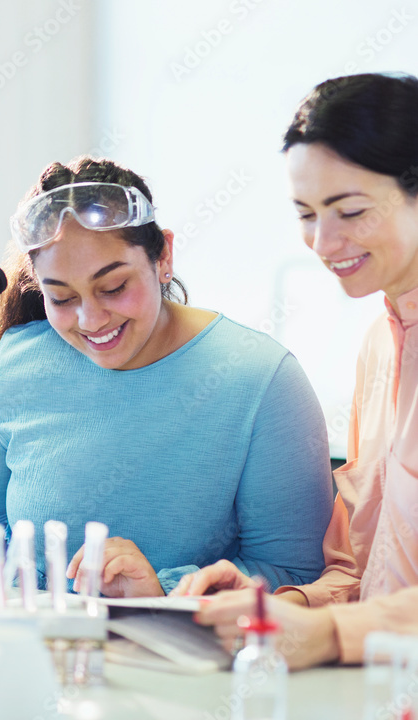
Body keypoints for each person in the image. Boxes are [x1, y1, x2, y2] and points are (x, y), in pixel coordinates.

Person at [0, 156, 333, 596]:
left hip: (191, 660)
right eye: (62, 297)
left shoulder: (262, 381)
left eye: (113, 288)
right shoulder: (6, 372)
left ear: (163, 256)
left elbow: (297, 574)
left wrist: (164, 591)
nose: (90, 319)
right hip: (34, 651)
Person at [172, 73, 418, 668]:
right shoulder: (380, 349)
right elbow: (362, 568)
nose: (324, 242)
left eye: (349, 211)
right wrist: (279, 606)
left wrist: (333, 634)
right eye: (305, 213)